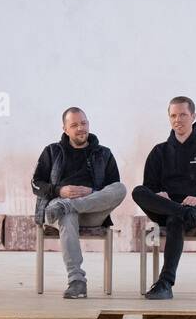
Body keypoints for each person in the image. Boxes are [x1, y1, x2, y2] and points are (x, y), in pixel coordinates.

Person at [130, 96, 196, 299]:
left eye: (183, 115)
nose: (178, 120)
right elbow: (149, 187)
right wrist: (159, 194)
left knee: (175, 220)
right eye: (173, 115)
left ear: (193, 116)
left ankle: (165, 284)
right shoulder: (159, 152)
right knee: (138, 192)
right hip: (169, 208)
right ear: (169, 118)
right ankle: (185, 214)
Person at [31, 107, 126, 299]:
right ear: (65, 129)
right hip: (57, 208)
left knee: (121, 188)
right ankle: (77, 281)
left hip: (91, 211)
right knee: (66, 214)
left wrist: (92, 192)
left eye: (83, 123)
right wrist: (59, 191)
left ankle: (68, 205)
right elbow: (36, 184)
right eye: (74, 125)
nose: (80, 128)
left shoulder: (104, 153)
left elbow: (112, 187)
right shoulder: (52, 151)